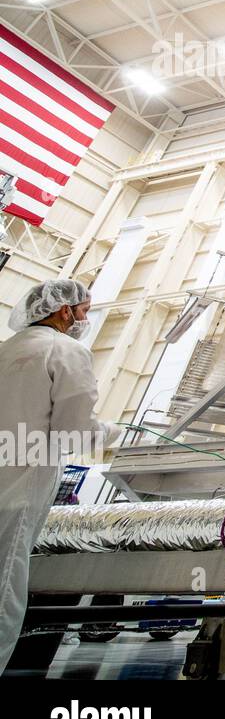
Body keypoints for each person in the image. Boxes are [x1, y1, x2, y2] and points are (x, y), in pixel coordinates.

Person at [0, 280, 114, 674]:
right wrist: (116, 433)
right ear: (65, 310)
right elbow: (75, 432)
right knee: (3, 594)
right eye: (83, 310)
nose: (84, 319)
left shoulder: (6, 350)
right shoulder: (66, 350)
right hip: (16, 494)